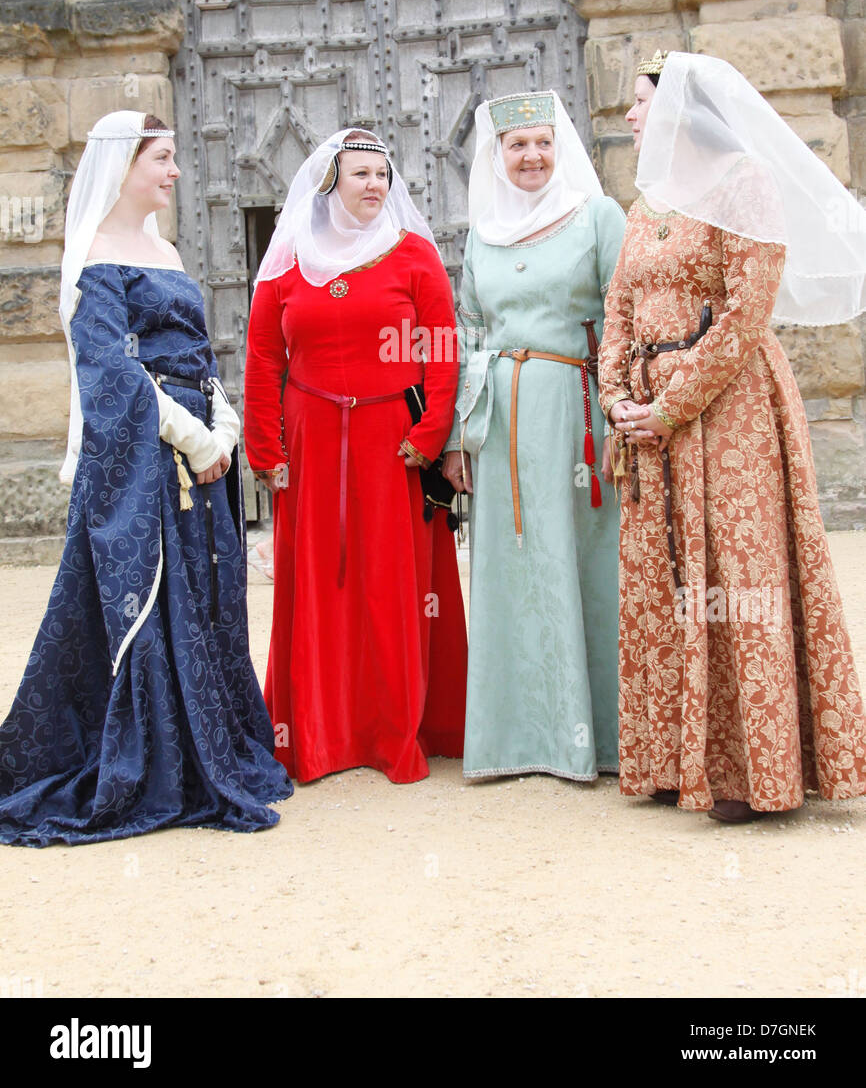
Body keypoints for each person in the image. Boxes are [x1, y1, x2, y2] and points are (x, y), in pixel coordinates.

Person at [0, 111, 291, 846]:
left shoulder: (164, 247)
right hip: (146, 459)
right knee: (149, 602)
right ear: (125, 164)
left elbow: (195, 349)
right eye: (162, 159)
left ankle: (206, 753)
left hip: (197, 451)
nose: (175, 171)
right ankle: (153, 761)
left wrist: (222, 421)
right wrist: (191, 436)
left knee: (206, 600)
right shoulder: (96, 255)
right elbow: (110, 371)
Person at [599, 49, 866, 821]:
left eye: (643, 100)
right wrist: (617, 395)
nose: (630, 114)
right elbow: (619, 304)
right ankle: (664, 759)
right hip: (649, 420)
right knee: (662, 582)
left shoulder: (744, 182)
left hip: (729, 411)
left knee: (733, 583)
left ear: (682, 108)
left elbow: (747, 314)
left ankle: (748, 772)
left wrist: (672, 402)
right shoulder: (647, 200)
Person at [243, 127, 467, 785]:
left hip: (391, 444)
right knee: (319, 583)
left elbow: (441, 348)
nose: (374, 185)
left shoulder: (413, 255)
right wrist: (265, 447)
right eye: (361, 174)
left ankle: (392, 732)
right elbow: (263, 357)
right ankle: (316, 735)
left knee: (389, 587)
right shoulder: (289, 262)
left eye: (382, 175)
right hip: (310, 440)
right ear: (330, 182)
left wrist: (427, 439)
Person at [441, 90, 625, 781]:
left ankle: (597, 739)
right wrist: (460, 434)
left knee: (581, 562)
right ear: (497, 156)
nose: (532, 156)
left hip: (575, 415)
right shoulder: (481, 236)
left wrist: (618, 411)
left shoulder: (597, 218)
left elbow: (623, 316)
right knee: (511, 568)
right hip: (499, 422)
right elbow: (469, 333)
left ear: (561, 147)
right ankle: (516, 740)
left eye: (543, 142)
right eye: (517, 145)